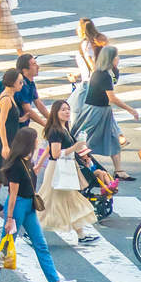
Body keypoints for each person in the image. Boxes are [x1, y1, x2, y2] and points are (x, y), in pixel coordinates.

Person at [0, 127, 78, 282]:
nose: (38, 142)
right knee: (6, 244)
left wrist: (42, 158)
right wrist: (9, 218)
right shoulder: (16, 166)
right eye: (35, 140)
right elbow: (13, 194)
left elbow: (37, 167)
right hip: (17, 206)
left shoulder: (27, 161)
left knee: (40, 243)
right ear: (28, 143)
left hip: (29, 206)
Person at [72, 45, 139, 180]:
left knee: (114, 138)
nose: (118, 58)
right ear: (110, 58)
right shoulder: (103, 75)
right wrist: (130, 110)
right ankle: (74, 163)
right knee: (84, 140)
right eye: (116, 56)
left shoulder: (107, 72)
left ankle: (119, 170)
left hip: (103, 110)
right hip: (95, 111)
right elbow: (112, 98)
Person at [40, 99, 102, 241]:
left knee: (71, 201)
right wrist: (75, 148)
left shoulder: (64, 129)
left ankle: (81, 234)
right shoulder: (55, 131)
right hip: (56, 170)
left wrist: (83, 155)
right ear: (55, 113)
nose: (67, 112)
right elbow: (55, 154)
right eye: (62, 109)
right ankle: (31, 231)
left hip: (64, 169)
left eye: (68, 109)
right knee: (46, 201)